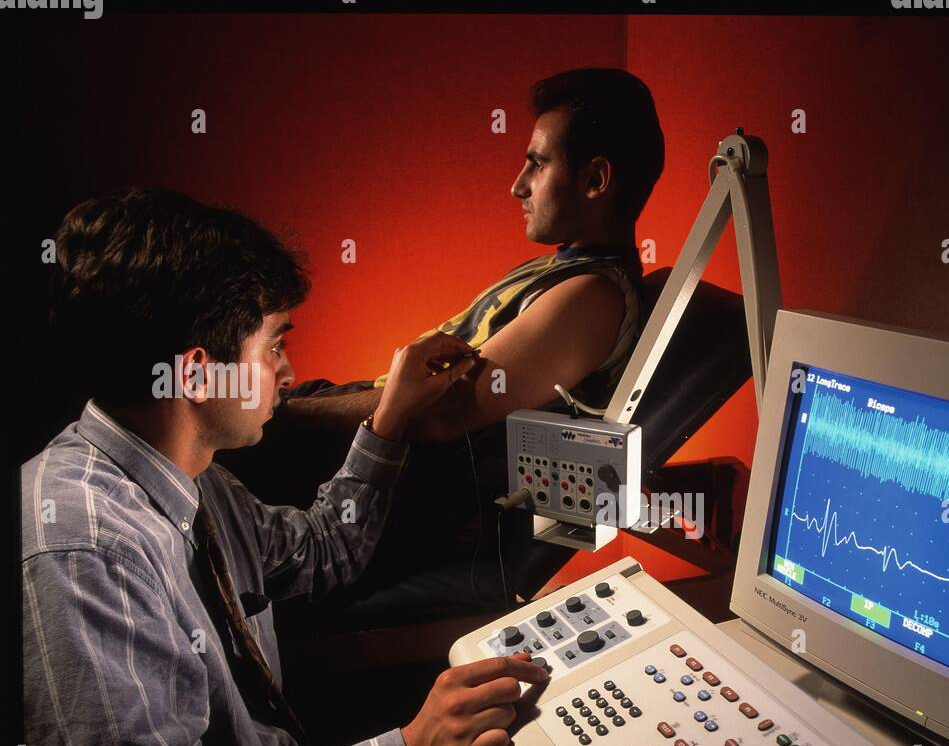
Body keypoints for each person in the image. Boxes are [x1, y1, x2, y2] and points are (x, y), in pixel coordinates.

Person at [21, 186, 550, 746]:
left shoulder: (188, 468)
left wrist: (389, 420)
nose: (289, 371)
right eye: (274, 345)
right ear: (200, 376)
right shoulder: (82, 547)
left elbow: (318, 552)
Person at [223, 68, 666, 622]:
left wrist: (288, 418)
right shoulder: (564, 270)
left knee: (219, 439)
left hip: (405, 502)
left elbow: (435, 412)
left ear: (596, 179)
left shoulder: (590, 298)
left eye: (537, 161)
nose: (518, 184)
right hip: (379, 439)